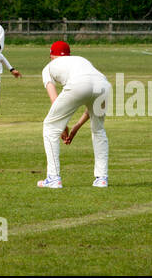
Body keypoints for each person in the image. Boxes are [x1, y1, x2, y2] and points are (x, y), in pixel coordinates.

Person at [38, 40, 109, 189]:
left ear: (51, 55)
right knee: (99, 130)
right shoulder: (80, 60)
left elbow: (54, 99)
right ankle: (102, 178)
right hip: (104, 85)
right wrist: (76, 127)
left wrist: (62, 125)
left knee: (50, 126)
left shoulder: (49, 67)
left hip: (79, 84)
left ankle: (53, 178)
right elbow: (90, 103)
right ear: (69, 54)